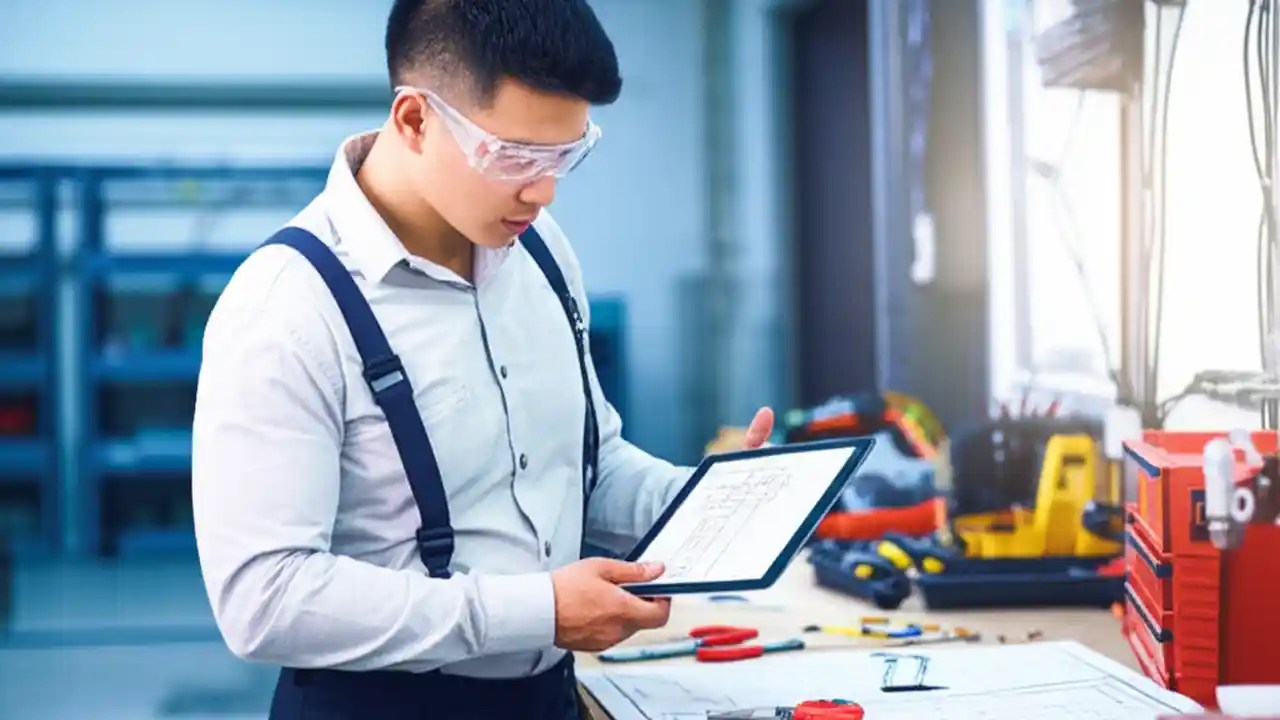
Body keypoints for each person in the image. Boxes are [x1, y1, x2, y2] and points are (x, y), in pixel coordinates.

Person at [189, 1, 774, 718]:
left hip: (549, 697)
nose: (544, 189)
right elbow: (265, 600)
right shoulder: (286, 306)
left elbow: (585, 465)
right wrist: (538, 612)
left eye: (566, 154)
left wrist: (708, 508)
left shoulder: (541, 250)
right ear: (413, 119)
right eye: (517, 156)